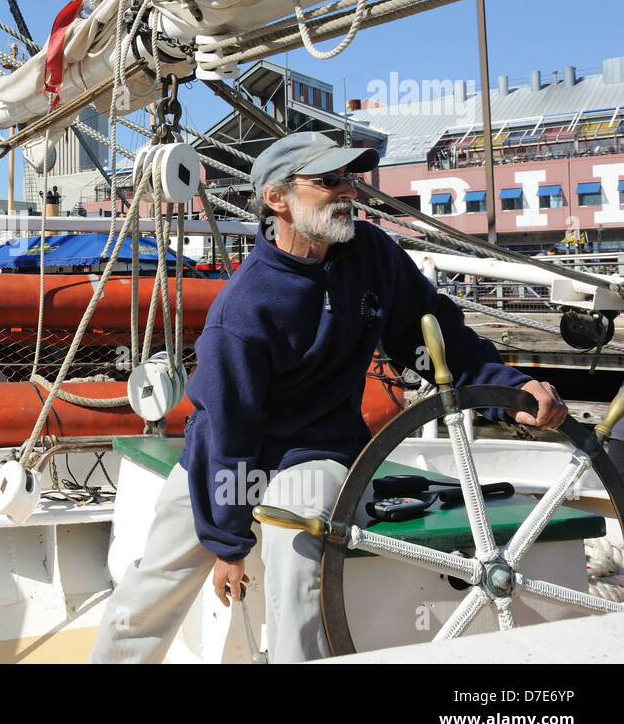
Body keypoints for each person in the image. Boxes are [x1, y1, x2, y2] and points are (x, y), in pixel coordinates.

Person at [88, 132, 567, 664]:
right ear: (277, 198)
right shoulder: (243, 312)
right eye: (329, 181)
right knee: (152, 586)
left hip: (318, 452)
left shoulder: (372, 255)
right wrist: (226, 544)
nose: (349, 192)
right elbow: (229, 429)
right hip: (230, 456)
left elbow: (436, 335)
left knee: (296, 561)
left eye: (350, 179)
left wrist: (510, 388)